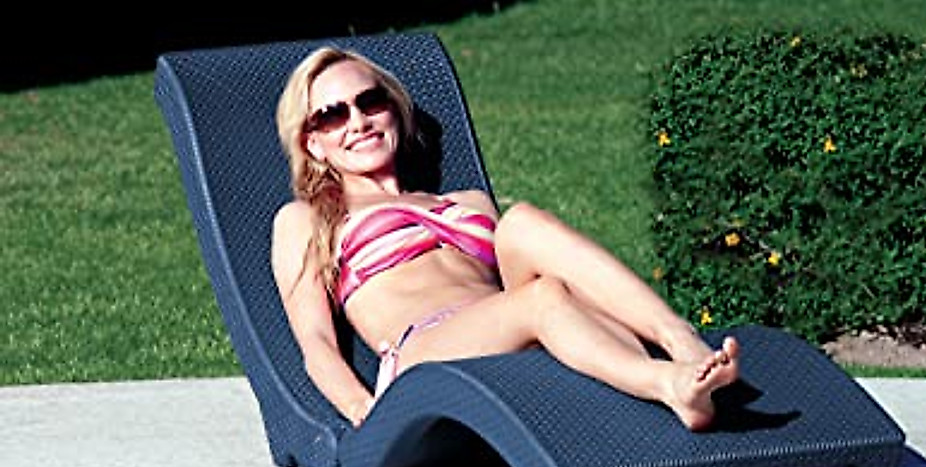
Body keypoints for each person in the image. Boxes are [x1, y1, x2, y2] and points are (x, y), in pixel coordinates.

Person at [271, 45, 740, 431]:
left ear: (393, 110)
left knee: (523, 222)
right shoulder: (308, 220)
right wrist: (365, 413)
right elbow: (315, 340)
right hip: (422, 358)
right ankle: (666, 384)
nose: (358, 121)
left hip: (503, 323)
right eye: (331, 115)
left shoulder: (467, 202)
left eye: (370, 101)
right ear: (312, 142)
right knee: (544, 297)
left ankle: (679, 339)